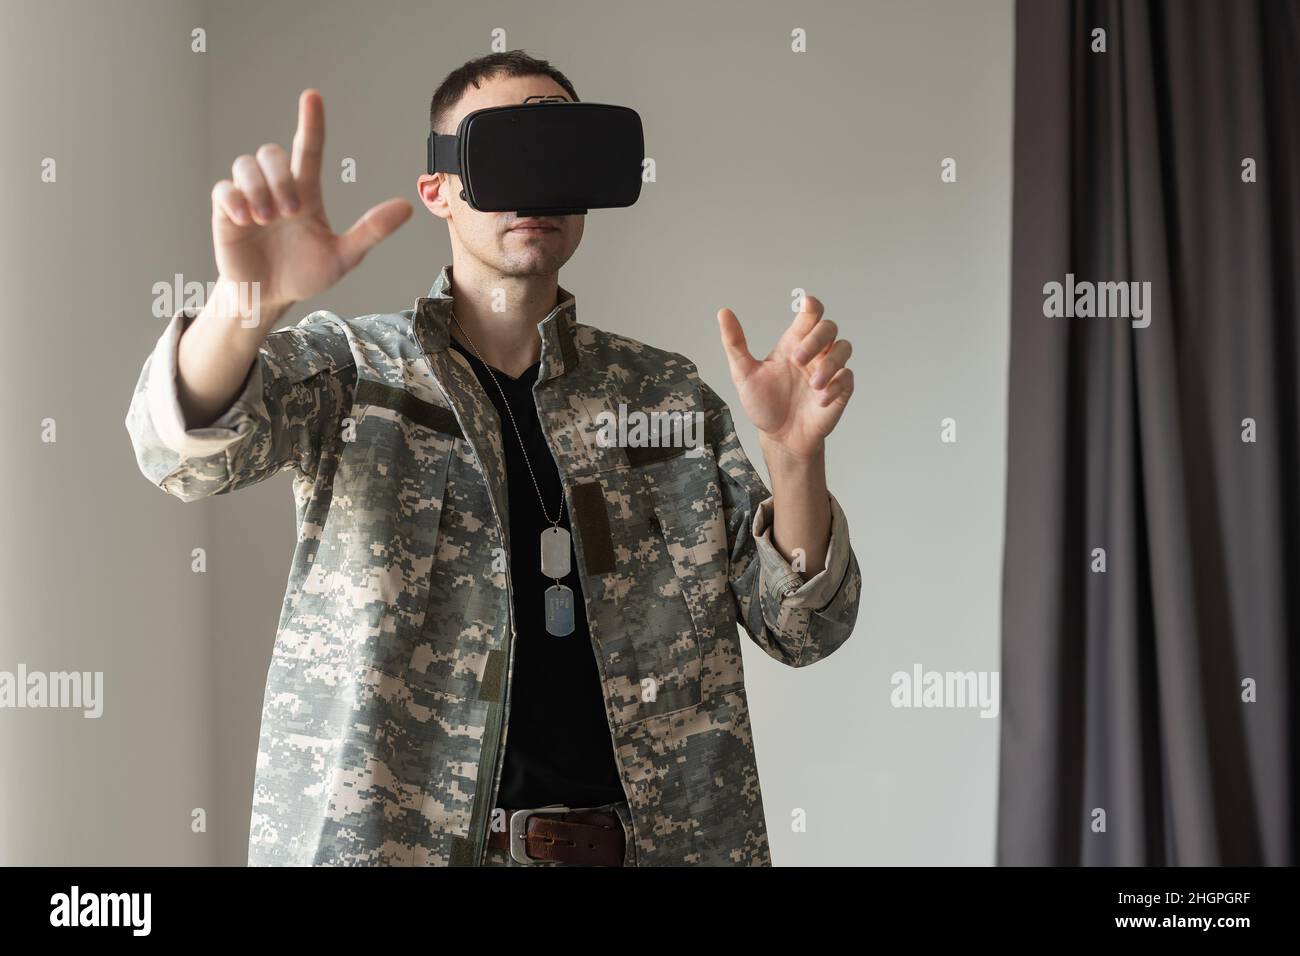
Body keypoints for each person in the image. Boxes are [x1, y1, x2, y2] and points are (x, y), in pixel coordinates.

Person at [125, 50, 861, 867]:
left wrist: (795, 459)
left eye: (558, 154)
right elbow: (177, 455)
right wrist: (245, 307)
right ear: (438, 187)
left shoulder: (662, 401)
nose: (533, 187)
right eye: (504, 151)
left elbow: (803, 627)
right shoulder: (355, 375)